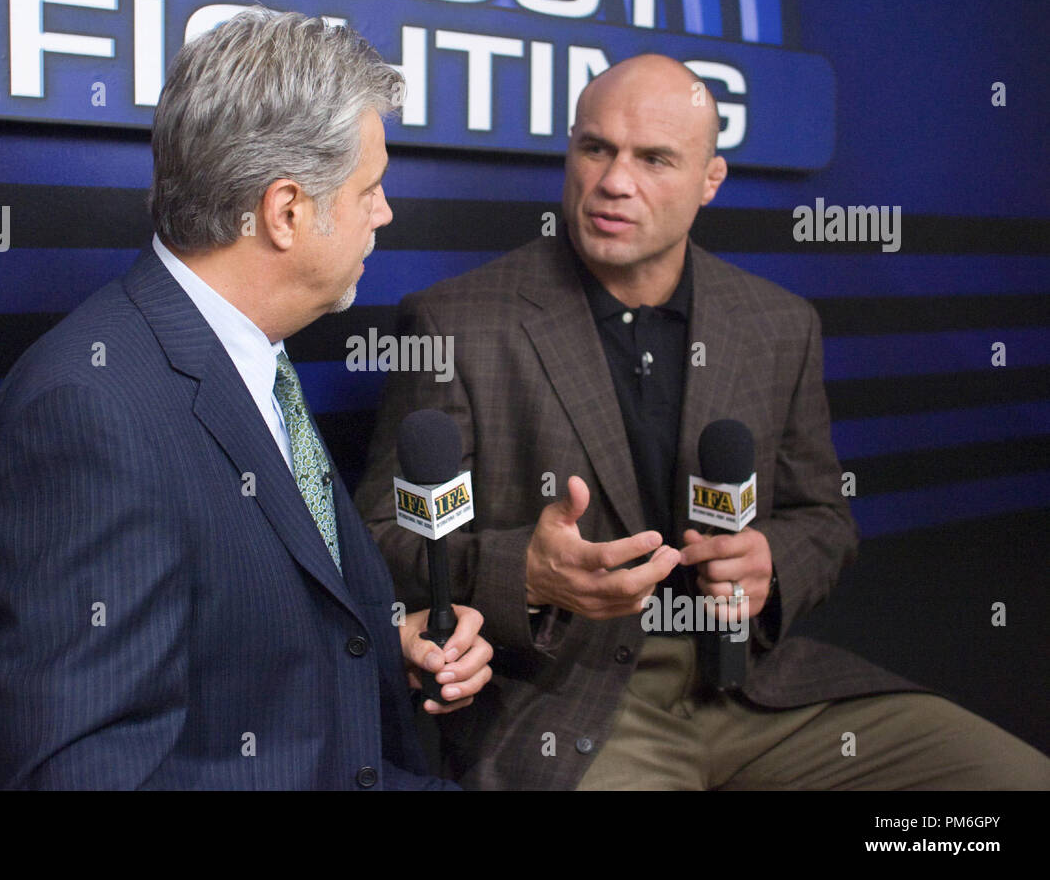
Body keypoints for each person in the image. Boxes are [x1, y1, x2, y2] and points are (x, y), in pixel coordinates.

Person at [356, 53, 1050, 789]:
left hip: (759, 688)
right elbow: (382, 540)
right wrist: (526, 575)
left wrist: (769, 567)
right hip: (570, 702)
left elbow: (823, 516)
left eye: (655, 158)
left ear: (709, 181)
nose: (614, 182)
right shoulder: (458, 321)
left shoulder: (779, 324)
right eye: (596, 148)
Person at [0, 8, 492, 790]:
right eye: (370, 188)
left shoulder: (247, 354)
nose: (384, 213)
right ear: (286, 212)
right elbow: (80, 772)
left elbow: (235, 631)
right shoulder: (87, 415)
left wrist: (375, 641)